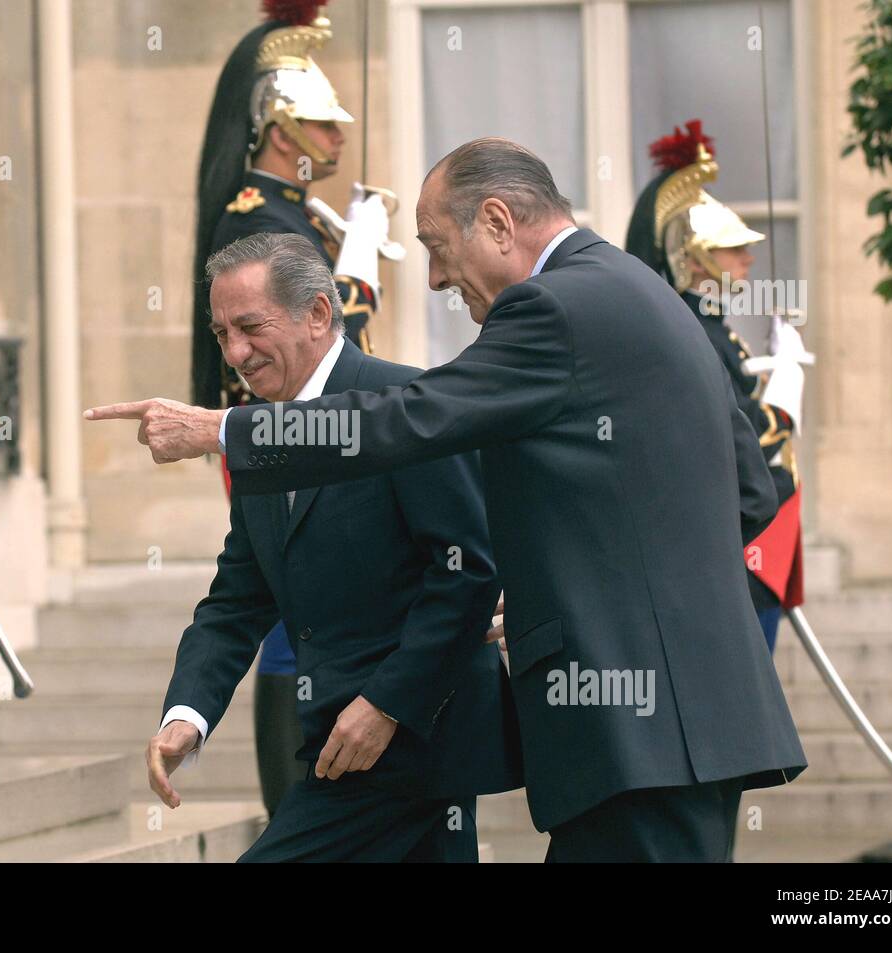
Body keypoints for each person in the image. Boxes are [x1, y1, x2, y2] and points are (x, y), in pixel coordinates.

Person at [88, 137, 808, 862]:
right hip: (682, 721)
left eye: (437, 245)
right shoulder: (641, 289)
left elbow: (413, 416)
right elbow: (749, 490)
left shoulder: (550, 306)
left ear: (496, 221)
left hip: (645, 728)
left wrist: (224, 430)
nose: (432, 277)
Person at [151, 232, 522, 861]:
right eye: (221, 335)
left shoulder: (406, 402)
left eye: (250, 327)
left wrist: (387, 704)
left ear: (319, 313)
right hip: (343, 746)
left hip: (413, 744)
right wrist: (187, 712)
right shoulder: (259, 434)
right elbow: (239, 600)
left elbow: (468, 570)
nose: (236, 352)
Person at [189, 0, 401, 816]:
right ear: (280, 126)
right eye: (321, 123)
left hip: (313, 432)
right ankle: (293, 804)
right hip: (275, 429)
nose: (338, 137)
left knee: (308, 603)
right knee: (286, 608)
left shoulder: (296, 209)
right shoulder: (260, 215)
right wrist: (355, 259)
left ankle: (312, 798)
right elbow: (330, 317)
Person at [626, 120, 808, 653]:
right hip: (739, 538)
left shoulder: (711, 325)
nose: (747, 260)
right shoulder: (696, 329)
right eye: (734, 250)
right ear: (699, 257)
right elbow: (741, 432)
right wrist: (784, 403)